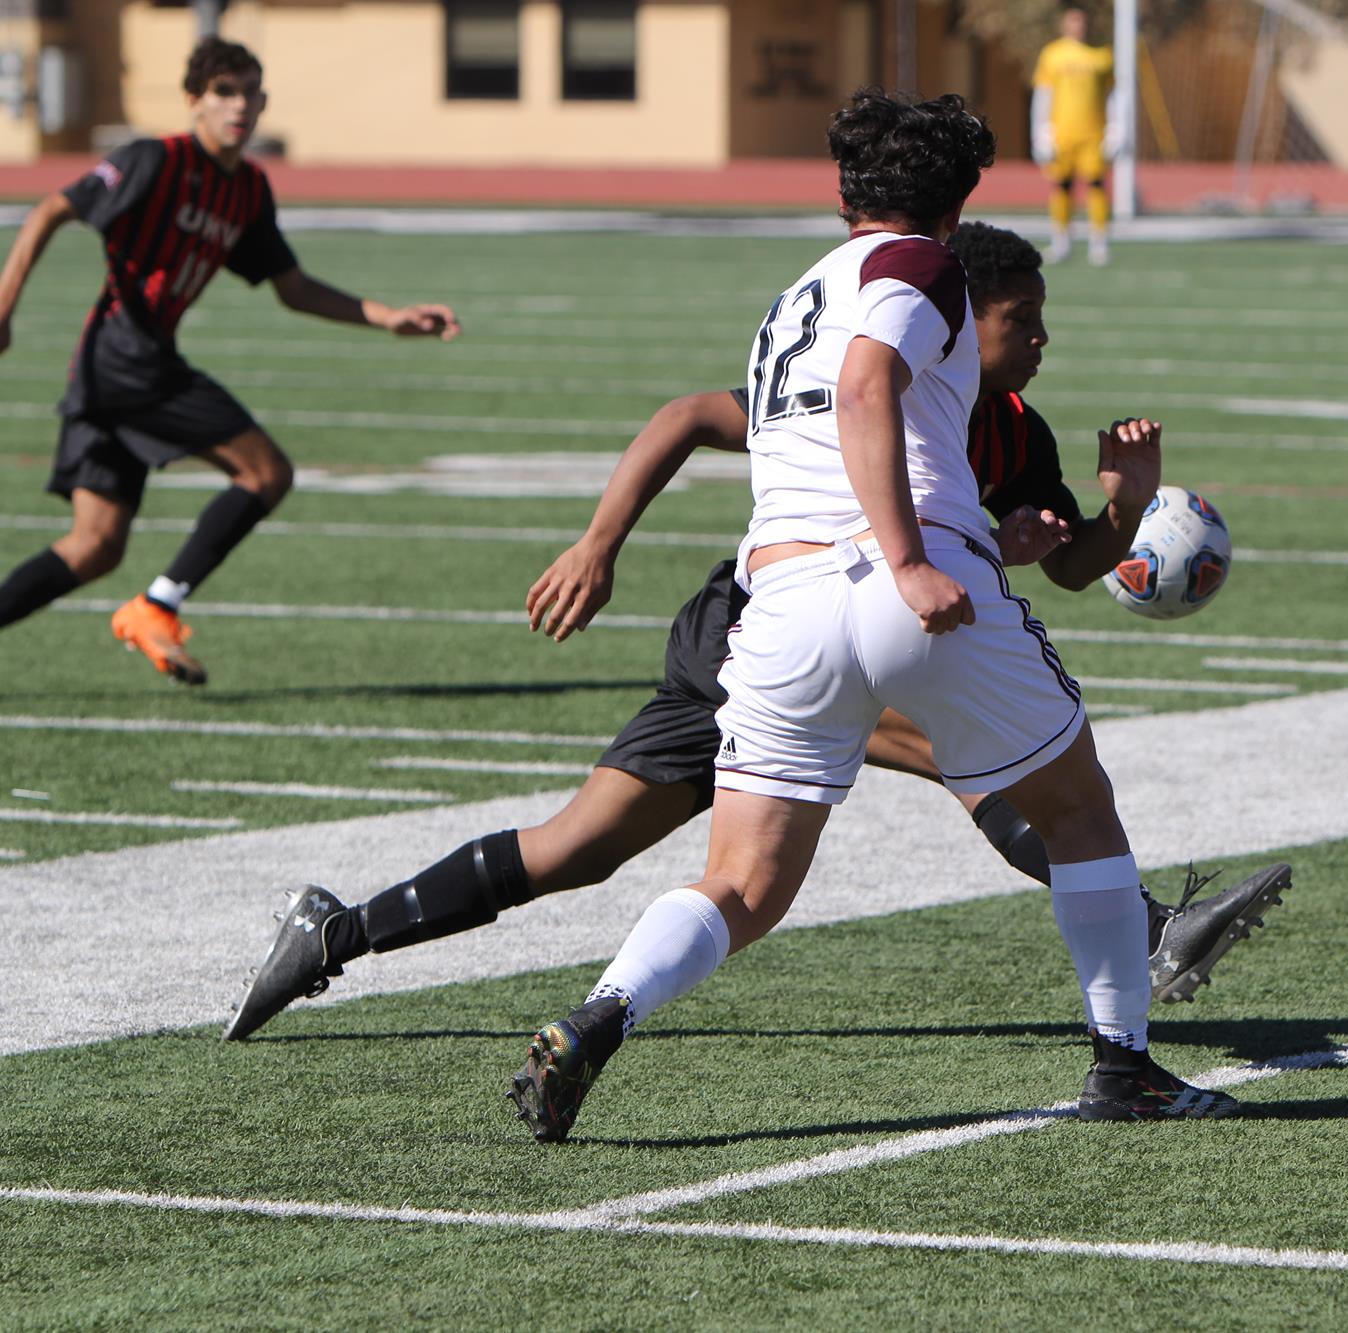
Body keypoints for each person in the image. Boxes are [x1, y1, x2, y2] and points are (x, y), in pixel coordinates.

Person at [223, 217, 1289, 1045]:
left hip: (819, 640)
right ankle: (1147, 928)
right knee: (975, 765)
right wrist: (598, 545)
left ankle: (334, 930)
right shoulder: (874, 380)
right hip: (761, 631)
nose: (1044, 341)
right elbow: (689, 413)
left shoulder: (1013, 429)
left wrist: (1112, 508)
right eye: (1025, 321)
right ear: (968, 318)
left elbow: (1065, 565)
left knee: (571, 852)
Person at [495, 89, 1250, 1142]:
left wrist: (1106, 507)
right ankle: (1124, 1068)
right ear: (954, 206)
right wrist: (904, 559)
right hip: (903, 580)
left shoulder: (790, 299)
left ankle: (601, 1012)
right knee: (1077, 813)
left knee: (742, 884)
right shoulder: (925, 264)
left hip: (778, 604)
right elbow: (865, 390)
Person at [0, 38, 461, 681]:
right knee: (266, 472)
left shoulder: (246, 190)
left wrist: (387, 316)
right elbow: (52, 209)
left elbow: (293, 289)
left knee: (94, 547)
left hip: (116, 372)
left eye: (249, 91)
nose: (239, 105)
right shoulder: (153, 161)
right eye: (223, 91)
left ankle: (142, 609)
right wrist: (2, 306)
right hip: (127, 362)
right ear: (193, 101)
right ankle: (158, 606)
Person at [1031, 7, 1120, 266]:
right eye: (1073, 21)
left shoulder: (1102, 54)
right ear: (1064, 24)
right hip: (1063, 133)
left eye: (1082, 21)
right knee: (1062, 185)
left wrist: (1115, 128)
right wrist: (1041, 130)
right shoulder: (1053, 54)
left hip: (1093, 133)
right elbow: (1043, 93)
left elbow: (1113, 94)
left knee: (1096, 184)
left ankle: (1099, 243)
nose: (1078, 26)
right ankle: (1061, 242)